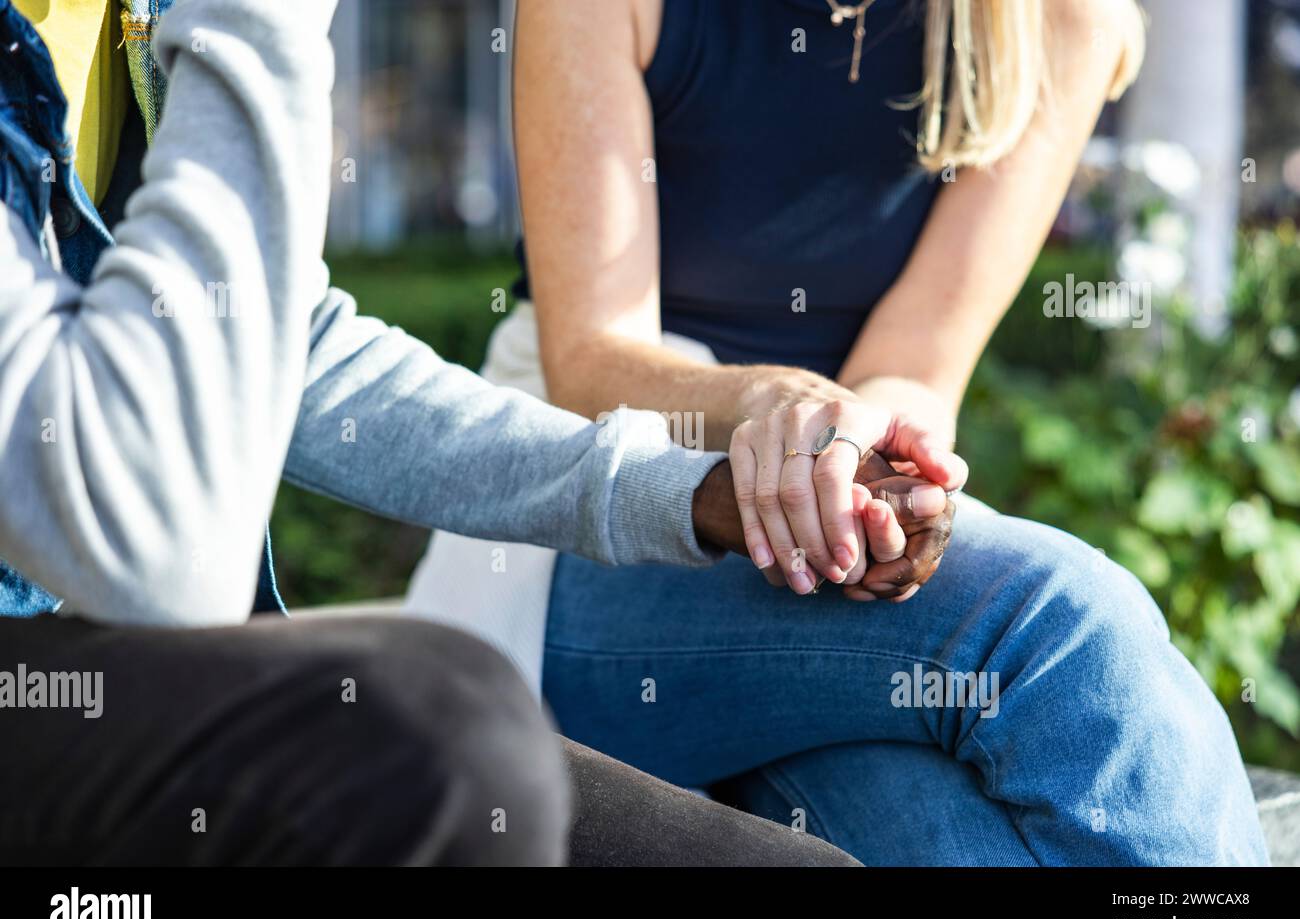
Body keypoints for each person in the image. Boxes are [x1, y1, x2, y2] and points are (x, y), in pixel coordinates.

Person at [0, 0, 862, 866]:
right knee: (453, 740)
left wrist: (693, 490)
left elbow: (286, 352)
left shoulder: (132, 19)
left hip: (123, 670)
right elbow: (153, 561)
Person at [408, 0, 1270, 865]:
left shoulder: (1057, 21)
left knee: (935, 829)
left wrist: (885, 482)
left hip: (824, 545)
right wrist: (789, 412)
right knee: (1057, 617)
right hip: (595, 511)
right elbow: (592, 361)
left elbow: (918, 362)